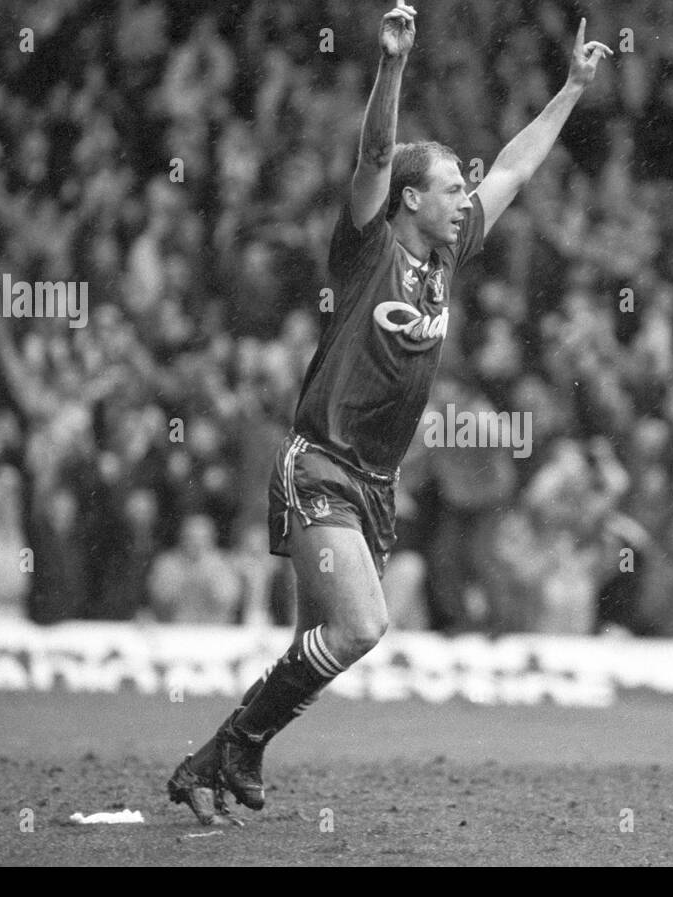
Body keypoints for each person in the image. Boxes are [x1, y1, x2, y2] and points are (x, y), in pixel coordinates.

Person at [168, 3, 612, 825]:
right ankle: (230, 750)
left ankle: (220, 760)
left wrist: (570, 90)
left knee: (315, 649)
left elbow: (515, 168)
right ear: (409, 198)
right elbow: (376, 150)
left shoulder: (448, 253)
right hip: (321, 466)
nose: (464, 198)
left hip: (375, 483)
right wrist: (394, 65)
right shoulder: (368, 244)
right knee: (363, 625)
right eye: (449, 187)